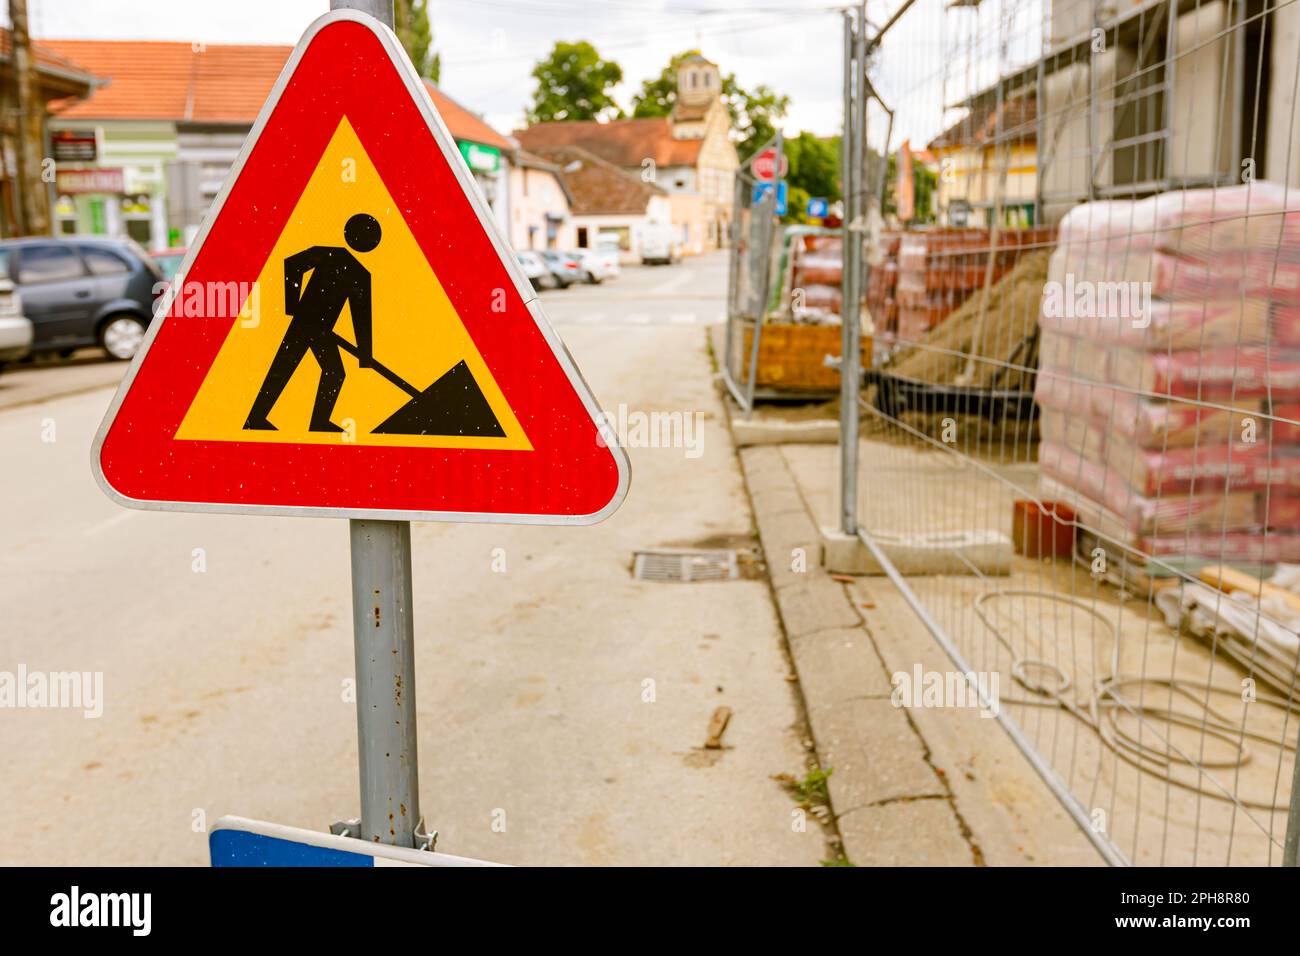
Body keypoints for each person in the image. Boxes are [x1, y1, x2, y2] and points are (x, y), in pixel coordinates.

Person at [243, 213, 382, 432]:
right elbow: (292, 265)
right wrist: (292, 305)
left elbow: (361, 317)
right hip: (306, 323)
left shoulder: (355, 271)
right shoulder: (340, 261)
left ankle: (264, 419)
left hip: (320, 328)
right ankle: (259, 419)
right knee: (288, 367)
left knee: (309, 369)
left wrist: (365, 354)